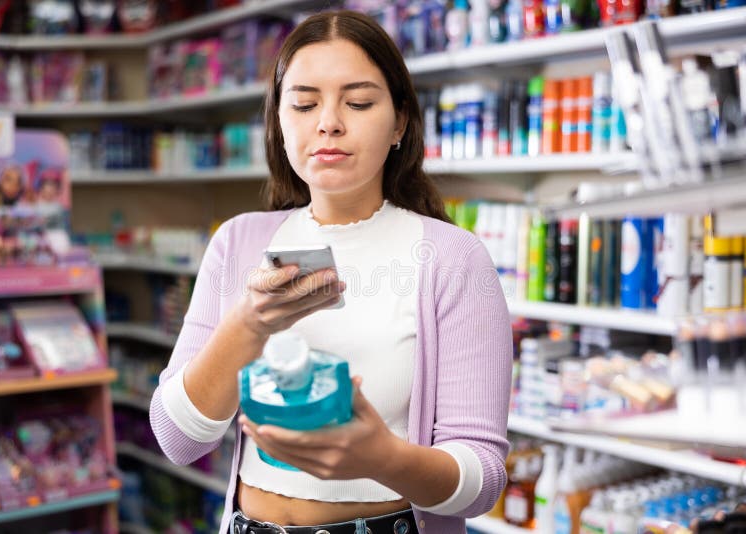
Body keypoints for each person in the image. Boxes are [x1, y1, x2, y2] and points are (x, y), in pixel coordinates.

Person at [150, 10, 512, 534]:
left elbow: (484, 480)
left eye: (359, 102)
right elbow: (179, 441)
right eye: (303, 103)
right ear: (280, 120)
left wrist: (381, 457)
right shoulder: (239, 242)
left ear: (401, 122)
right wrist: (248, 325)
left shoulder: (452, 258)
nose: (328, 122)